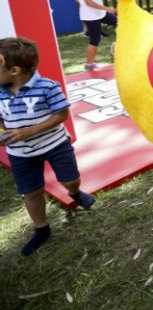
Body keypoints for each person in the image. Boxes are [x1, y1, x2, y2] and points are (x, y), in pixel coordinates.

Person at [0, 37, 96, 256]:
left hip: (55, 144)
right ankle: (42, 229)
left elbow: (61, 114)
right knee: (31, 193)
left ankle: (75, 192)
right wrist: (2, 132)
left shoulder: (48, 87)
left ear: (14, 70)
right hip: (20, 153)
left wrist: (29, 131)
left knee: (69, 179)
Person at [76, 0, 117, 71]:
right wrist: (107, 8)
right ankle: (89, 65)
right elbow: (88, 2)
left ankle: (122, 46)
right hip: (91, 16)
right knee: (95, 39)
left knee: (120, 22)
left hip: (99, 14)